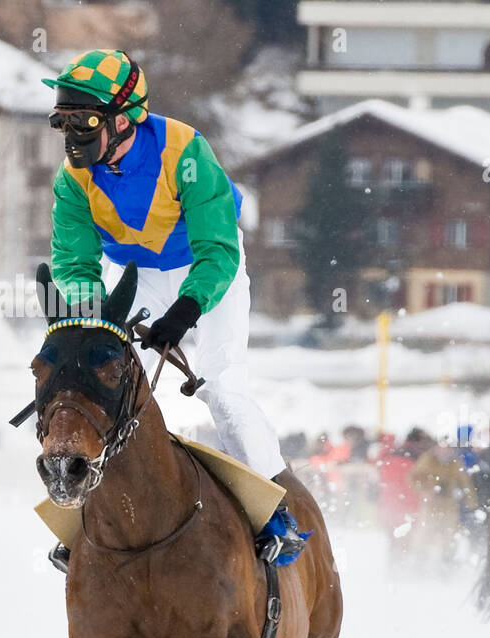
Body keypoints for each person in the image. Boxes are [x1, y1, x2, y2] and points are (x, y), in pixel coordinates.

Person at [42, 50, 302, 571]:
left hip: (206, 269)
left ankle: (276, 513)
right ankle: (80, 516)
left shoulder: (186, 152)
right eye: (63, 121)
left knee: (221, 388)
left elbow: (218, 251)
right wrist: (89, 318)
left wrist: (185, 311)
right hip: (133, 275)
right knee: (92, 374)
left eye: (83, 121)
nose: (71, 134)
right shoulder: (73, 179)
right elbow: (74, 262)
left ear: (122, 119)